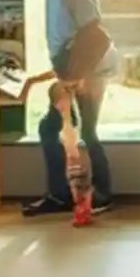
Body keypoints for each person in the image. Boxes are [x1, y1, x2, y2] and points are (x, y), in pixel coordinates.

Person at [21, 0, 118, 217]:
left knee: (86, 131)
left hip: (86, 70)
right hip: (70, 69)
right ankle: (60, 194)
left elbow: (93, 33)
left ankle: (102, 194)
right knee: (52, 128)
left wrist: (81, 75)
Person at [49, 82, 95, 228]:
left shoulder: (67, 117)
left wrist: (72, 153)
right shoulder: (73, 112)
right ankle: (85, 212)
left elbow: (69, 134)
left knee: (78, 187)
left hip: (74, 152)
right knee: (83, 186)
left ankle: (82, 213)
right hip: (78, 150)